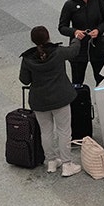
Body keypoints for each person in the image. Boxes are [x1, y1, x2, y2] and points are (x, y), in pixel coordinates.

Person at [19, 26, 82, 177]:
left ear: (33, 41)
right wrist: (77, 38)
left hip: (39, 101)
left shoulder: (28, 59)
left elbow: (24, 80)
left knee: (46, 132)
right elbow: (73, 51)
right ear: (48, 37)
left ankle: (52, 162)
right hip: (60, 98)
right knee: (64, 131)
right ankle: (67, 164)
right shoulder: (58, 52)